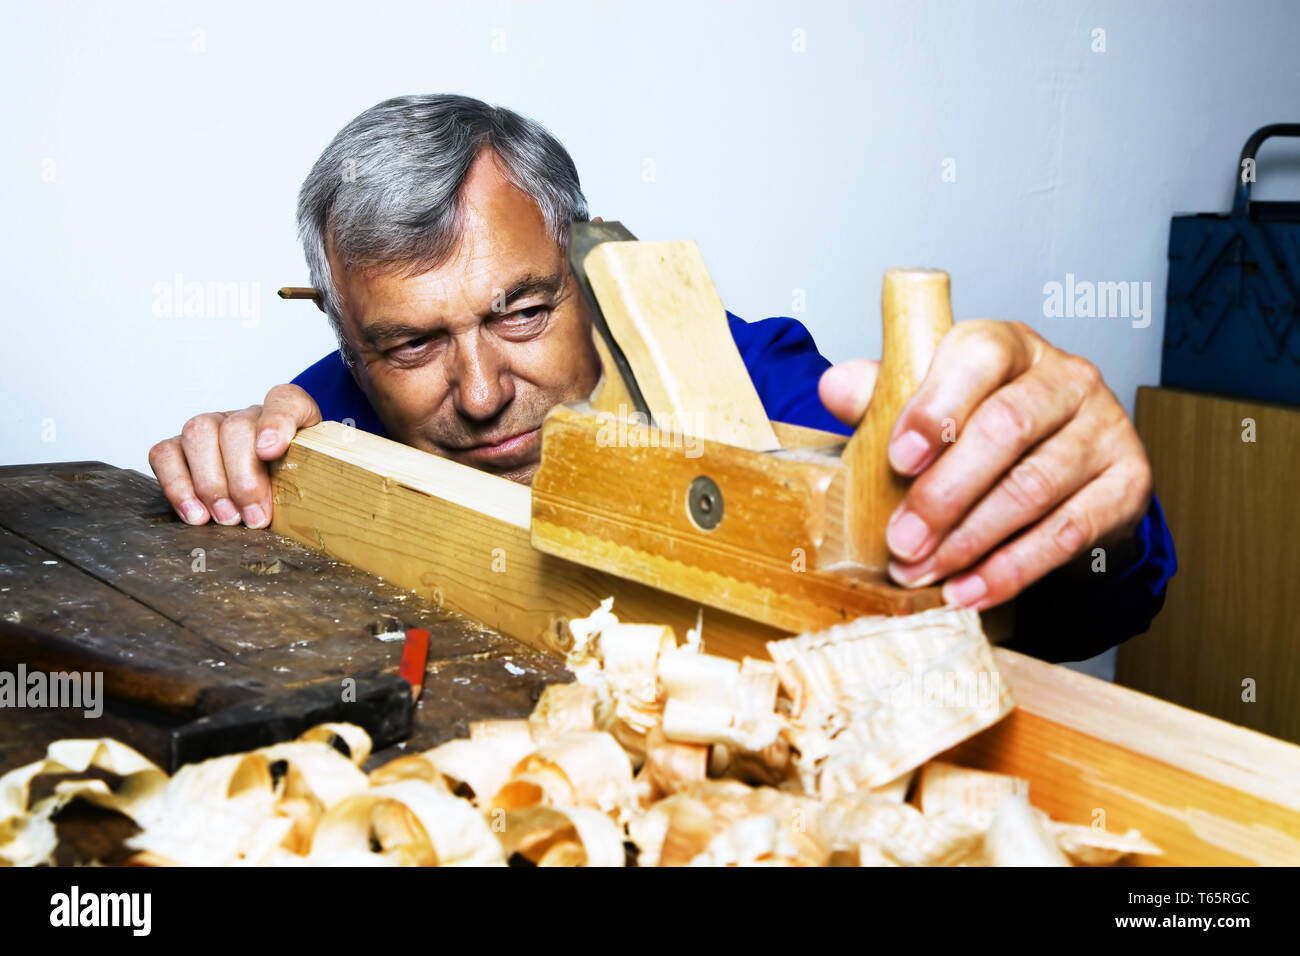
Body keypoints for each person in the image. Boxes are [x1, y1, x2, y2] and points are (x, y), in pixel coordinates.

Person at [148, 94, 1175, 663]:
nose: (477, 390)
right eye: (412, 345)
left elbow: (1104, 606)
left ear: (589, 263)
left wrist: (1086, 507)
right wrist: (237, 465)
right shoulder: (339, 395)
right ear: (347, 331)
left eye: (521, 312)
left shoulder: (756, 378)